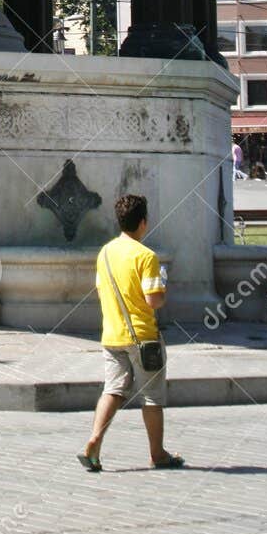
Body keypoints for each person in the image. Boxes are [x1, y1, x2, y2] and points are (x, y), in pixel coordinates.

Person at [78, 193, 183, 473]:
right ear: (144, 223)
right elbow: (154, 300)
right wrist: (162, 283)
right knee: (151, 397)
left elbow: (101, 291)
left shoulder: (106, 253)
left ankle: (95, 440)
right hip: (143, 337)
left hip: (111, 335)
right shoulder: (146, 256)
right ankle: (157, 453)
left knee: (112, 390)